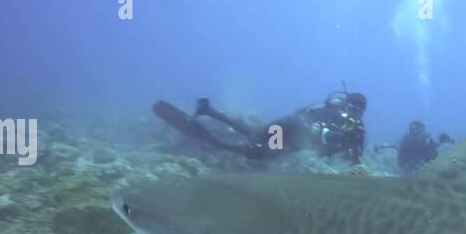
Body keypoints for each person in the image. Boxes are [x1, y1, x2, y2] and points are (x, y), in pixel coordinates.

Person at [152, 89, 367, 165]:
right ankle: (209, 139)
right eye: (352, 110)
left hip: (286, 126)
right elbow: (316, 130)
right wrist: (332, 135)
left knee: (253, 133)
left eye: (357, 113)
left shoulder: (356, 132)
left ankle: (208, 110)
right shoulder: (333, 113)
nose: (352, 115)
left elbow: (355, 160)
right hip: (289, 133)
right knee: (255, 152)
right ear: (346, 105)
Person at [377, 120, 452, 173]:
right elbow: (395, 146)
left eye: (417, 130)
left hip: (423, 164)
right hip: (408, 164)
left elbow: (436, 146)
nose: (415, 132)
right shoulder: (407, 139)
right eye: (413, 130)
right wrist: (381, 146)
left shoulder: (427, 139)